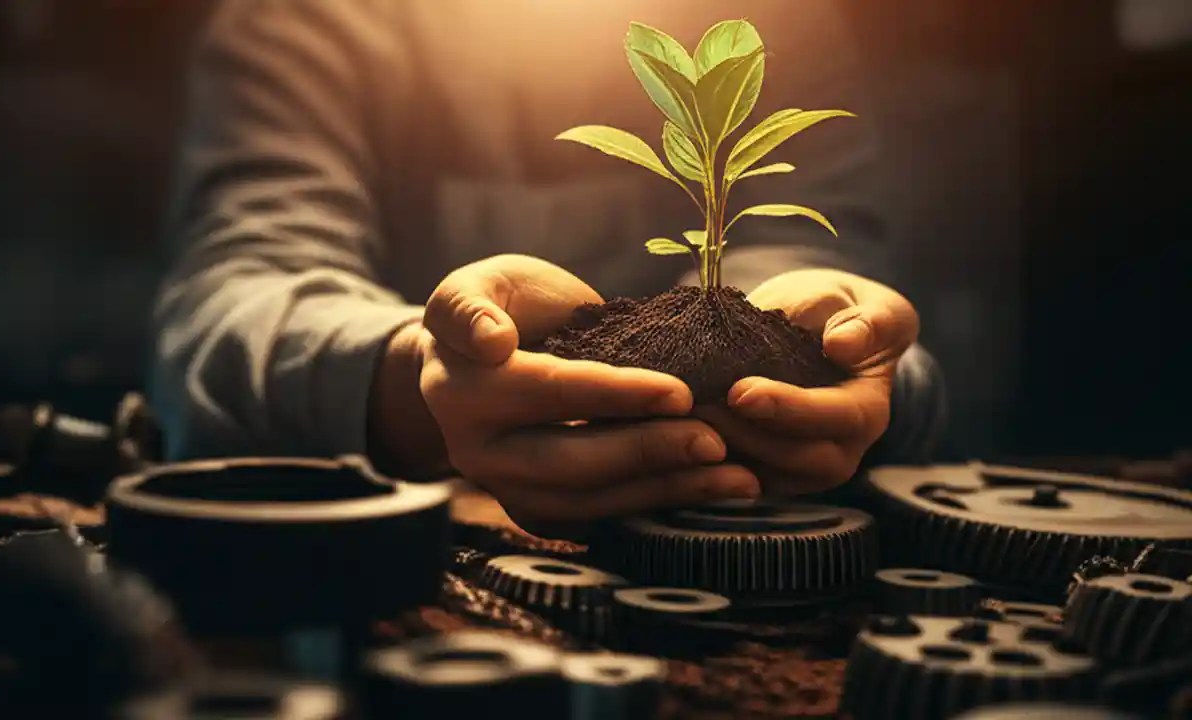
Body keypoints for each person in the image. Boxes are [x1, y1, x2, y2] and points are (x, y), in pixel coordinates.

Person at [151, 0, 945, 530]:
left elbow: (821, 271)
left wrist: (821, 346)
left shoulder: (774, 22)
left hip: (738, 540)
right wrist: (423, 374)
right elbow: (233, 305)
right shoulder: (307, 20)